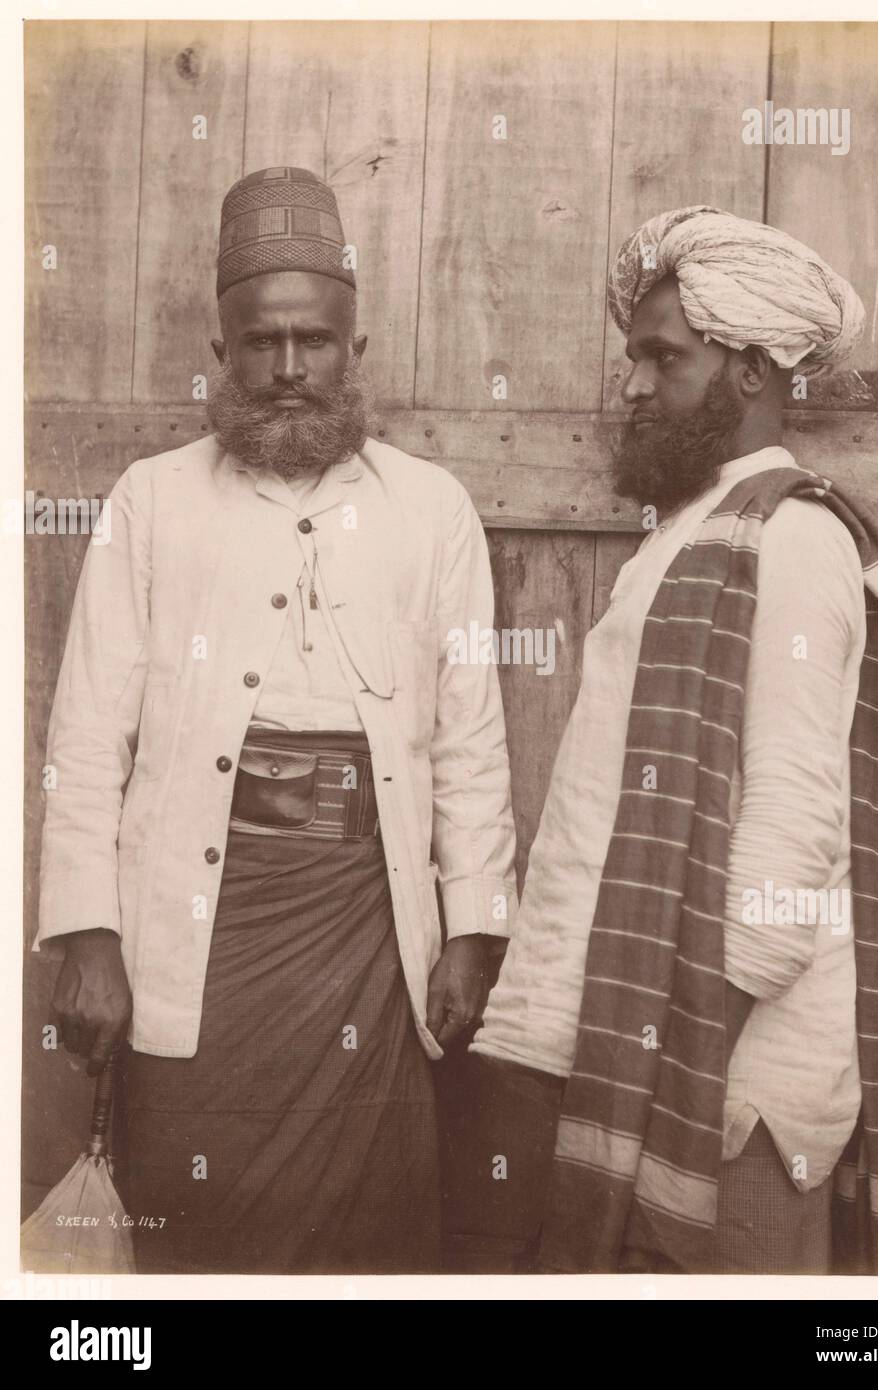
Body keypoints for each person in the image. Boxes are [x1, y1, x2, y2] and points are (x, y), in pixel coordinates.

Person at [35, 166, 518, 1274]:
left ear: (357, 349)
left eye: (314, 342)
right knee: (195, 1232)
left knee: (372, 1238)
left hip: (365, 934)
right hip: (202, 933)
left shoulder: (431, 509)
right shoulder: (150, 501)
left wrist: (476, 928)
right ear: (220, 349)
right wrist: (89, 937)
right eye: (261, 342)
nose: (288, 369)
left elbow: (469, 741)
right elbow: (86, 736)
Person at [469, 206, 878, 1276]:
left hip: (718, 1101)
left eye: (665, 357)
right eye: (633, 357)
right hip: (626, 1057)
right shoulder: (694, 535)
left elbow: (787, 848)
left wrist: (667, 1058)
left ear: (751, 372)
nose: (635, 384)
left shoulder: (789, 543)